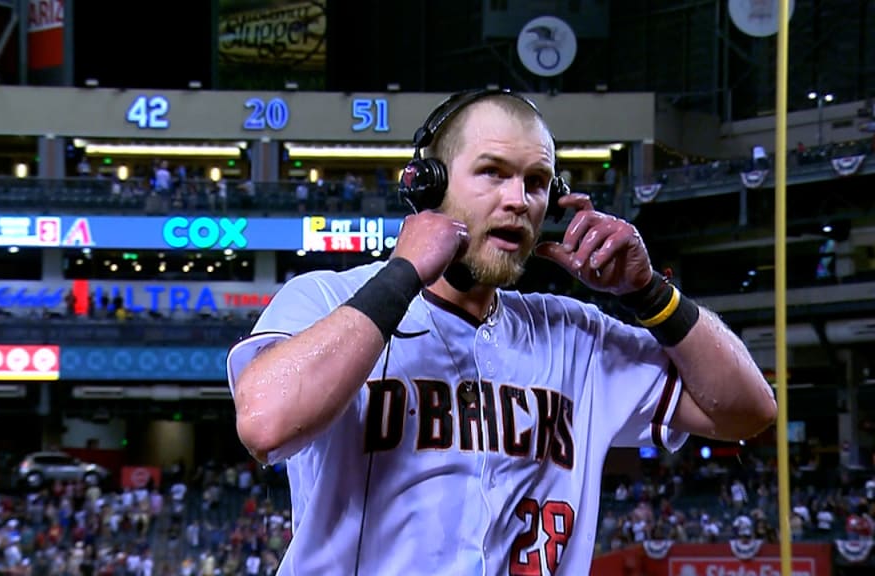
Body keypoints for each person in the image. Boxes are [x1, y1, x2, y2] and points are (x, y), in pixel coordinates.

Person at [226, 89, 776, 575]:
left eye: (536, 182)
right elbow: (264, 425)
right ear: (429, 185)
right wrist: (404, 273)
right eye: (493, 172)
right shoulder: (327, 299)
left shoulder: (573, 335)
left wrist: (650, 294)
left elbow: (747, 412)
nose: (518, 199)